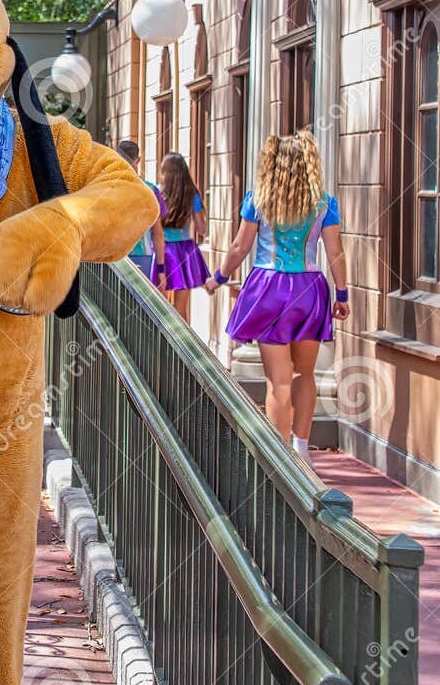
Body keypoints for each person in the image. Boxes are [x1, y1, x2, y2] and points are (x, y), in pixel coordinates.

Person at [205, 130, 349, 462]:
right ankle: (302, 450)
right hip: (310, 290)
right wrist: (341, 294)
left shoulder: (257, 200)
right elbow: (335, 252)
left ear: (272, 162)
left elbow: (240, 246)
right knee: (305, 375)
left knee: (278, 381)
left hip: (269, 289)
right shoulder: (325, 203)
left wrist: (219, 277)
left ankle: (281, 459)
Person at [153, 151, 207, 318]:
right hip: (185, 251)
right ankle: (182, 335)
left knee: (160, 306)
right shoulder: (192, 195)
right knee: (181, 309)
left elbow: (153, 227)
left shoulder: (157, 193)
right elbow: (201, 229)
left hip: (162, 250)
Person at [117, 140, 167, 283]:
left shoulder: (108, 187)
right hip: (142, 256)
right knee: (138, 296)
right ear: (138, 160)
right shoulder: (151, 190)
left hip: (114, 256)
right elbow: (158, 233)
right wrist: (161, 269)